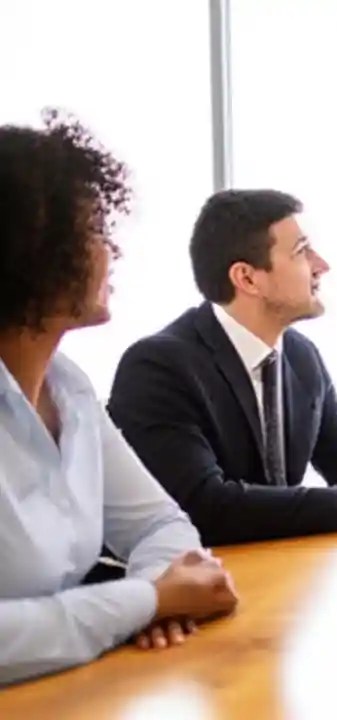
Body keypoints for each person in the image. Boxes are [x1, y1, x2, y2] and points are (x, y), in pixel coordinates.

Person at [0, 111, 238, 685]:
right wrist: (148, 603)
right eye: (94, 232)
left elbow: (162, 526)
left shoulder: (69, 386)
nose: (112, 252)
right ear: (32, 250)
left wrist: (157, 597)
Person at [107, 189, 337, 546]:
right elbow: (206, 509)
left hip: (273, 574)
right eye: (301, 252)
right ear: (247, 278)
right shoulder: (158, 367)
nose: (321, 265)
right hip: (186, 587)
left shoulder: (301, 356)